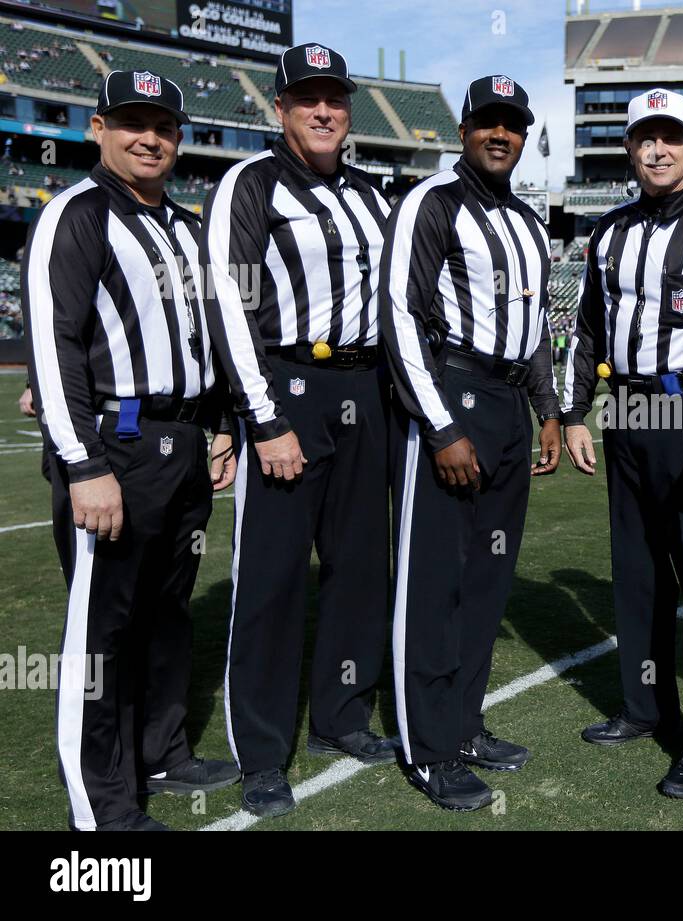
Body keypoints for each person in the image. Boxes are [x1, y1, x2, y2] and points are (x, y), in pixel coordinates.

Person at [22, 70, 238, 831]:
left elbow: (206, 339)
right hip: (117, 442)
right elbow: (54, 346)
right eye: (133, 122)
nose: (150, 137)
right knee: (103, 626)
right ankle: (101, 802)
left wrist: (220, 427)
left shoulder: (183, 226)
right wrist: (82, 463)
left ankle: (162, 748)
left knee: (167, 609)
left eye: (164, 125)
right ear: (99, 127)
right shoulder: (75, 216)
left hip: (184, 442)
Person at [202, 42, 394, 819]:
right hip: (289, 385)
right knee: (273, 582)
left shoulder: (374, 194)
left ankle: (342, 719)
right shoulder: (248, 185)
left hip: (364, 387)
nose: (324, 111)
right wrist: (263, 417)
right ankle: (262, 752)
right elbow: (228, 304)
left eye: (335, 99)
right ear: (277, 108)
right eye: (307, 98)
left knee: (357, 569)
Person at [563, 87, 683, 799]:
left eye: (670, 137)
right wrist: (576, 410)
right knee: (639, 572)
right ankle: (646, 705)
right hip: (629, 412)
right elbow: (586, 329)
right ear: (629, 149)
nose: (657, 149)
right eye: (645, 138)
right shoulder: (609, 231)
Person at [380, 75, 562, 812]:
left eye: (512, 124)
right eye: (487, 121)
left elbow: (539, 327)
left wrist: (547, 409)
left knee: (488, 581)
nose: (500, 134)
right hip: (451, 395)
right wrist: (442, 425)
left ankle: (464, 723)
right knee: (435, 583)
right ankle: (428, 748)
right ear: (463, 130)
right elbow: (398, 312)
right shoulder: (432, 202)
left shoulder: (526, 220)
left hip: (509, 404)